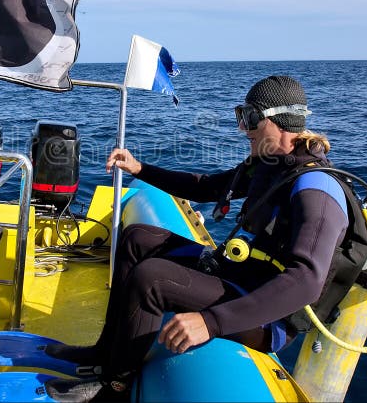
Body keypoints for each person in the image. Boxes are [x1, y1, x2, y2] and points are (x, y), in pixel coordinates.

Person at [45, 75, 351, 402]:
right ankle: (103, 351)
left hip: (266, 316)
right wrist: (139, 169)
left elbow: (307, 280)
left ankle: (114, 384)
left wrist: (212, 322)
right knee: (138, 238)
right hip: (240, 274)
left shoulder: (317, 188)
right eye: (241, 117)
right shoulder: (271, 165)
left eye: (251, 119)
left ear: (280, 121)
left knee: (152, 280)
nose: (243, 129)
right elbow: (206, 187)